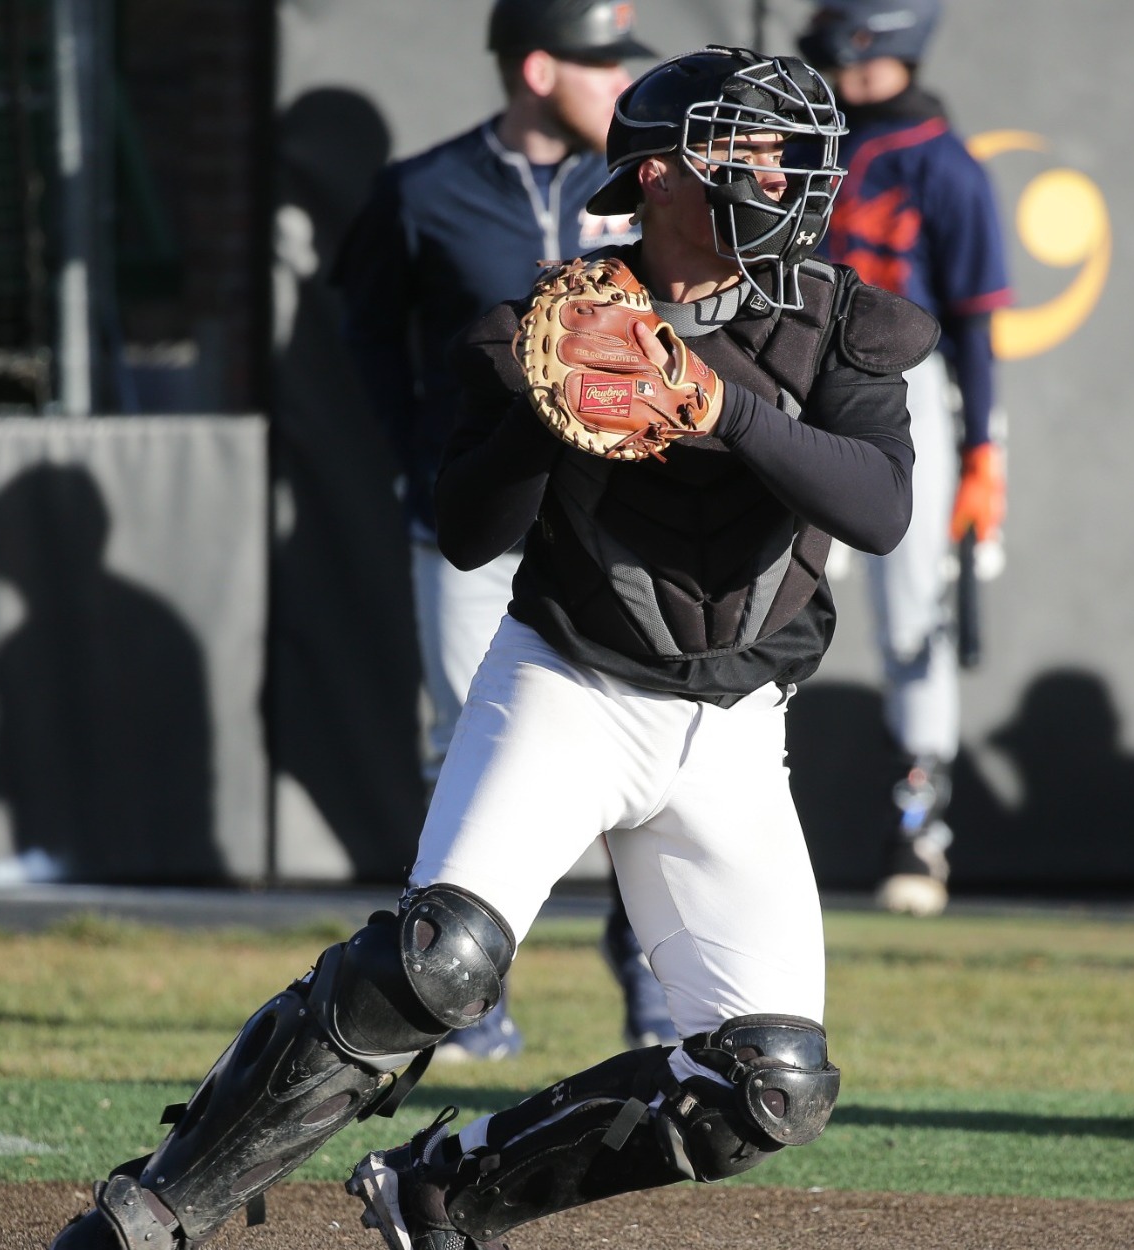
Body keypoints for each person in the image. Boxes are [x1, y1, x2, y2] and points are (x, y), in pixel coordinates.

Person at [334, 45, 933, 1250]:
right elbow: (465, 534)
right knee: (435, 965)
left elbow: (877, 509)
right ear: (659, 175)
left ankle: (446, 1190)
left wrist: (719, 406)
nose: (782, 174)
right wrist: (540, 419)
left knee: (772, 1081)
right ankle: (165, 1193)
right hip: (570, 684)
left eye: (785, 152)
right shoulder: (561, 316)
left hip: (733, 726)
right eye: (749, 150)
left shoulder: (841, 321)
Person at [332, 0, 672, 1060]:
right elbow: (368, 344)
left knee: (640, 762)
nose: (619, 82)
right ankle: (459, 993)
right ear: (536, 66)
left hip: (615, 530)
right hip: (475, 536)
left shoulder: (644, 193)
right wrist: (425, 462)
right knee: (466, 754)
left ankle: (653, 991)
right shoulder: (420, 192)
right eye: (597, 60)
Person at [798, 0, 1009, 918]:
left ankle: (920, 824)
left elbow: (975, 323)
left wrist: (986, 448)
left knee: (913, 613)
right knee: (759, 584)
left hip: (906, 393)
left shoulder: (941, 160)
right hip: (788, 378)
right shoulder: (804, 140)